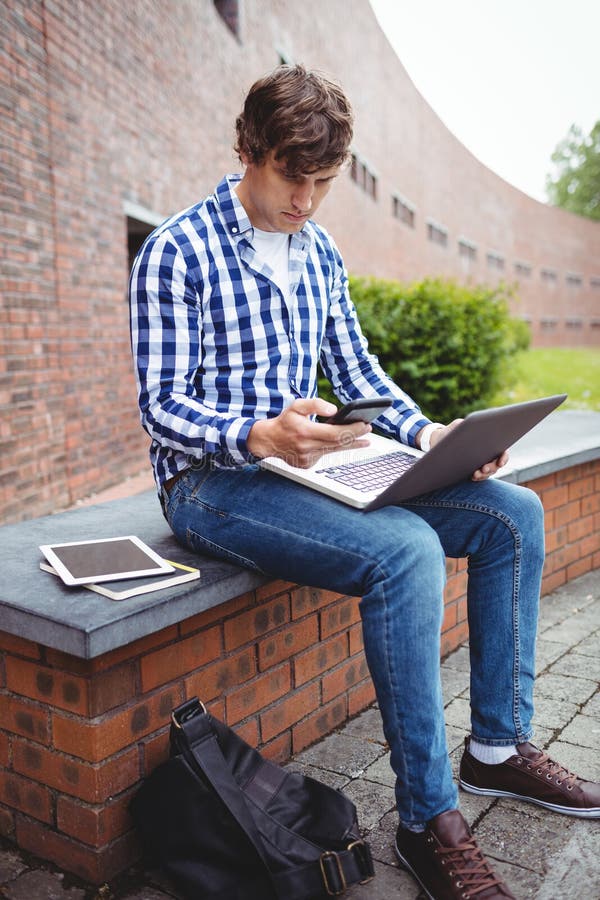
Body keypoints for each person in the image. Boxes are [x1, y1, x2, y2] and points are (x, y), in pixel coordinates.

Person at [129, 64, 600, 899]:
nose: (306, 199)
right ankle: (427, 819)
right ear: (248, 149)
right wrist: (252, 432)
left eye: (322, 182)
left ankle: (497, 748)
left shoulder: (319, 251)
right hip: (211, 484)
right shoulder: (178, 249)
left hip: (316, 465)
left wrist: (432, 436)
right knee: (408, 552)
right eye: (290, 176)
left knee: (513, 515)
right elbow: (162, 407)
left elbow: (357, 367)